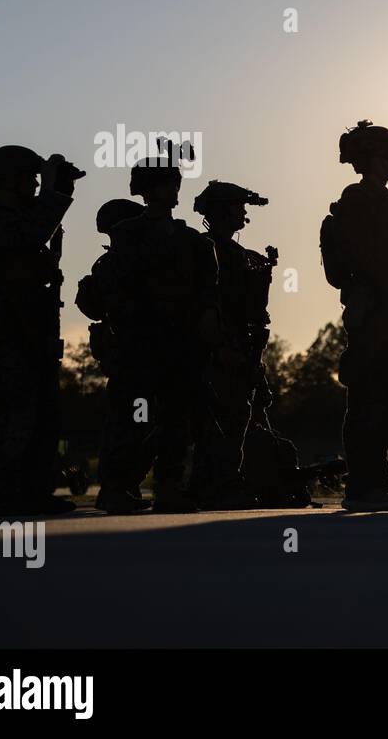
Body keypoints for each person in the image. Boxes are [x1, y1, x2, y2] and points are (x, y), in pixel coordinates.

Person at [0, 145, 82, 516]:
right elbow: (29, 236)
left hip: (30, 333)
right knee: (15, 416)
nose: (35, 184)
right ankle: (7, 495)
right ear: (8, 180)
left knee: (43, 417)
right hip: (7, 336)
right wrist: (55, 196)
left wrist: (58, 193)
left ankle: (35, 491)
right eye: (30, 178)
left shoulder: (21, 217)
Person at [105, 139, 222, 513]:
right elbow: (118, 286)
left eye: (175, 182)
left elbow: (208, 289)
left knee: (176, 419)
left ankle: (169, 488)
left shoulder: (192, 240)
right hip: (141, 343)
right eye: (166, 183)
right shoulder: (128, 234)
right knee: (135, 417)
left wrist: (203, 323)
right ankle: (119, 487)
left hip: (179, 344)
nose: (174, 189)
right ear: (148, 189)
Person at [321, 121, 388, 512]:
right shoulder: (362, 203)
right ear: (373, 161)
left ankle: (372, 483)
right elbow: (378, 260)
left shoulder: (380, 202)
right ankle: (365, 486)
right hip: (376, 314)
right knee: (371, 397)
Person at [189, 181, 273, 510]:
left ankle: (216, 482)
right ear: (222, 210)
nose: (243, 214)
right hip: (217, 349)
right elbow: (205, 304)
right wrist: (221, 346)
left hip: (238, 346)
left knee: (235, 417)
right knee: (220, 420)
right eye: (237, 207)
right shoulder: (206, 250)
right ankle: (215, 484)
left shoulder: (239, 255)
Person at [76, 198, 150, 513]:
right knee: (130, 424)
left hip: (134, 357)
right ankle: (117, 488)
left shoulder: (110, 264)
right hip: (132, 357)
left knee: (136, 423)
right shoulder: (119, 264)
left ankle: (120, 487)